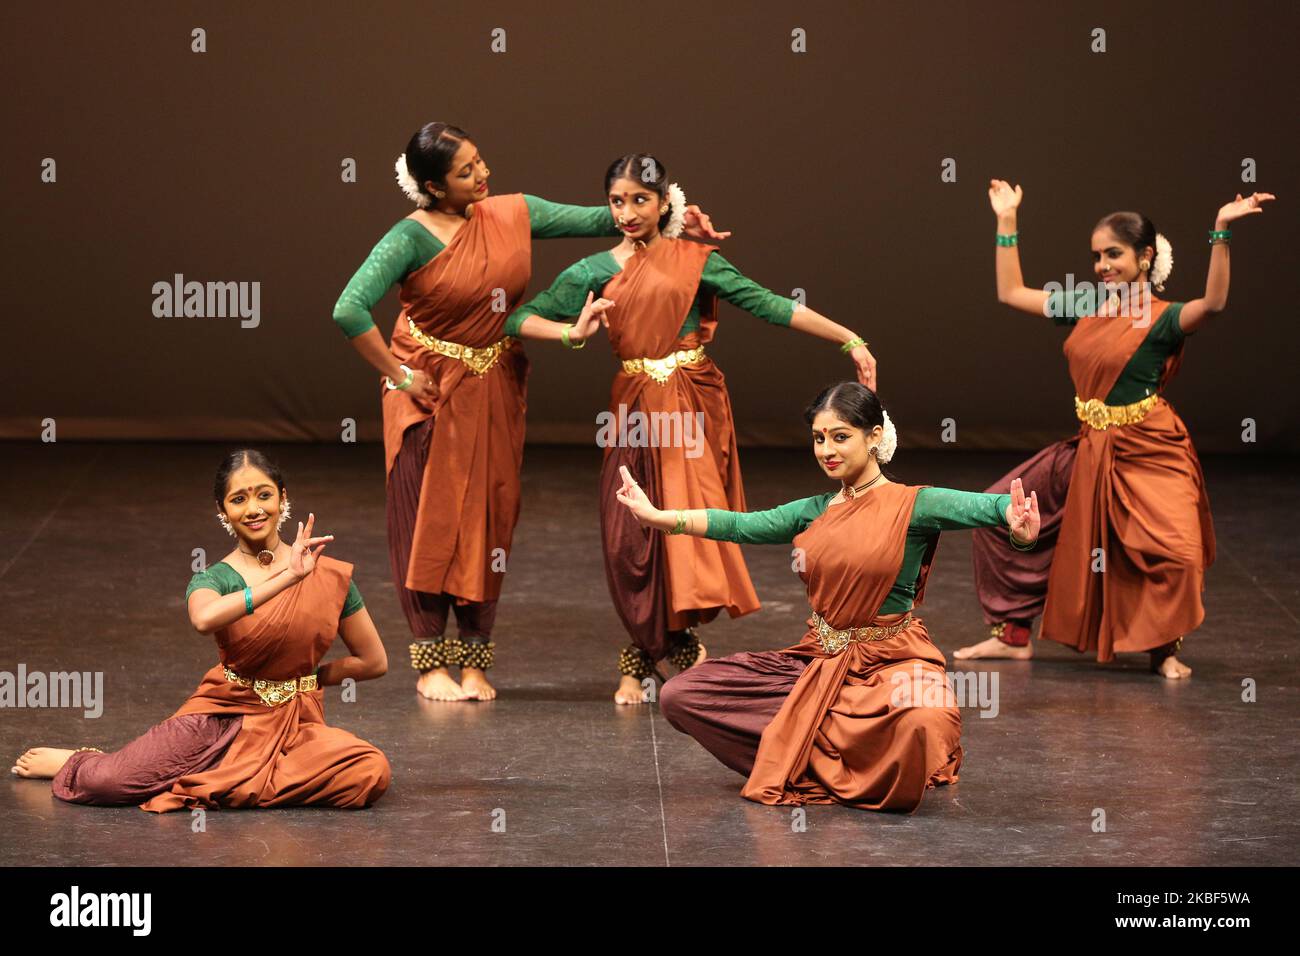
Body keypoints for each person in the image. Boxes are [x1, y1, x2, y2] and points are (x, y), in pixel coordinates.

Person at [333, 124, 728, 702]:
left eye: (480, 161)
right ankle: (430, 663)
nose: (483, 174)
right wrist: (396, 374)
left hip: (493, 385)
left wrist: (679, 221)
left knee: (490, 517)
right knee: (427, 520)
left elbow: (608, 217)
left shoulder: (512, 212)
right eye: (466, 172)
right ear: (432, 187)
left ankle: (474, 658)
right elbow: (349, 309)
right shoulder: (410, 238)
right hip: (431, 391)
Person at [507, 153, 877, 704]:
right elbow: (517, 318)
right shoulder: (593, 270)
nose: (628, 212)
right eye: (617, 201)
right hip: (632, 409)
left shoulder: (695, 260)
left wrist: (848, 337)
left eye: (640, 200)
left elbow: (770, 305)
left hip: (690, 404)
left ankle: (648, 654)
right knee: (627, 536)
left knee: (677, 531)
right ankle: (662, 648)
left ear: (663, 202)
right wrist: (571, 333)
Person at [616, 382, 1040, 811]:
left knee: (925, 720)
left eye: (841, 436)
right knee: (681, 696)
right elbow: (741, 525)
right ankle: (820, 759)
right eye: (819, 439)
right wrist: (659, 517)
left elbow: (985, 508)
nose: (826, 450)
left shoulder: (914, 504)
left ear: (874, 436)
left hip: (891, 661)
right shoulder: (814, 511)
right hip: (821, 659)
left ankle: (818, 754)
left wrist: (1016, 524)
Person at [955, 181, 1275, 678]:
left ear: (1145, 256)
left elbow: (1212, 304)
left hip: (1150, 449)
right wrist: (1006, 220)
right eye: (1097, 257)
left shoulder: (1164, 319)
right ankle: (1012, 637)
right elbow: (1011, 292)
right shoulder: (1086, 304)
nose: (1102, 266)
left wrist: (1221, 230)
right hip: (1089, 448)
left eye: (1114, 255)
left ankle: (1164, 649)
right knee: (1000, 514)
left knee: (1176, 553)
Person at [11, 450, 391, 811]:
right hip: (223, 715)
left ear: (282, 498)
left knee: (369, 772)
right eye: (238, 499)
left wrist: (305, 678)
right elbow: (203, 619)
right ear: (223, 510)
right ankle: (87, 760)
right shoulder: (214, 578)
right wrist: (287, 577)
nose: (254, 508)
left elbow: (373, 662)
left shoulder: (329, 575)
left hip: (293, 723)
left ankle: (230, 780)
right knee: (107, 783)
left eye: (264, 495)